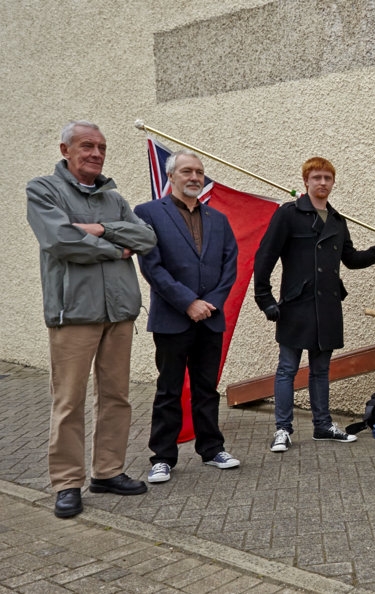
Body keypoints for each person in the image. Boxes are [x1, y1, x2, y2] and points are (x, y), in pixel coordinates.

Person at [25, 120, 157, 518]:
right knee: (69, 401)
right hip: (74, 314)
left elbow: (147, 238)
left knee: (116, 396)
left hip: (119, 312)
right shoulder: (43, 189)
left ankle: (107, 471)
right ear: (65, 150)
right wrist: (115, 247)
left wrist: (100, 229)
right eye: (87, 146)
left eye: (101, 147)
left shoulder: (112, 198)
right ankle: (67, 482)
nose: (96, 154)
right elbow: (60, 240)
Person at [253, 156, 375, 452]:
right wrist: (265, 299)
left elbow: (352, 260)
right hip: (295, 305)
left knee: (320, 370)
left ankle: (322, 425)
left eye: (327, 178)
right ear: (305, 181)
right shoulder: (288, 214)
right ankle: (283, 429)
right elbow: (264, 258)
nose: (322, 183)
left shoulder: (336, 220)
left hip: (327, 307)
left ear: (333, 183)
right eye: (316, 177)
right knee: (287, 369)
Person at [134, 150, 241, 484]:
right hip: (173, 318)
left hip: (210, 317)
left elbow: (230, 265)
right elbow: (152, 266)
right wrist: (188, 303)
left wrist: (209, 303)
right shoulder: (148, 213)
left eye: (199, 171)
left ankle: (212, 449)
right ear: (171, 176)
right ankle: (163, 457)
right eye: (186, 171)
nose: (194, 177)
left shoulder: (218, 219)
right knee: (169, 389)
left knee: (206, 388)